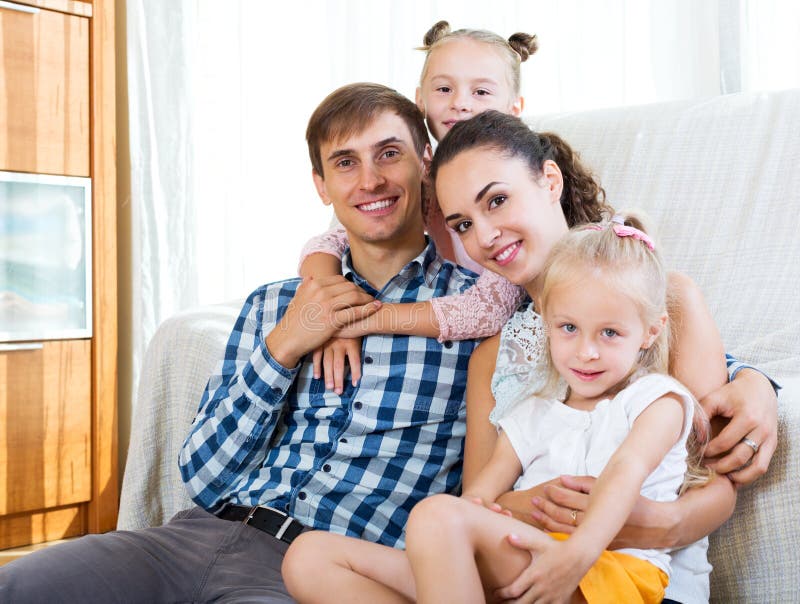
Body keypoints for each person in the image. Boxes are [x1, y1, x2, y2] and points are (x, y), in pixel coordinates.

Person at [0, 83, 481, 603]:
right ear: (321, 185)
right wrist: (283, 346)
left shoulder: (471, 315)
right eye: (345, 163)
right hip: (193, 537)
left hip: (322, 573)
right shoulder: (273, 305)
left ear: (425, 162)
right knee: (19, 585)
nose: (370, 180)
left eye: (389, 154)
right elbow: (203, 479)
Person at [285, 111, 779, 604]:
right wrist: (531, 505)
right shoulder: (493, 355)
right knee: (311, 559)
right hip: (520, 555)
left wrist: (661, 522)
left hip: (632, 575)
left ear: (549, 180)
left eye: (497, 201)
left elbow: (711, 477)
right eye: (463, 224)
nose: (485, 235)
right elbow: (479, 501)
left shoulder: (664, 298)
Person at [283, 213, 712, 603]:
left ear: (651, 332)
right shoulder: (533, 412)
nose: (586, 352)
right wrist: (477, 522)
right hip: (524, 566)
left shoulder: (658, 400)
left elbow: (623, 474)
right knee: (309, 556)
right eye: (569, 328)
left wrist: (576, 556)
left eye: (610, 333)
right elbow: (478, 499)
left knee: (435, 515)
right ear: (546, 324)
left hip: (606, 577)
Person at [298, 21, 538, 397]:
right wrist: (325, 299)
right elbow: (330, 242)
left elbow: (491, 309)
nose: (460, 102)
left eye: (481, 91)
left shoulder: (514, 182)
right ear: (420, 101)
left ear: (514, 108)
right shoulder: (420, 184)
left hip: (515, 325)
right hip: (440, 322)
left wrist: (359, 322)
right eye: (444, 88)